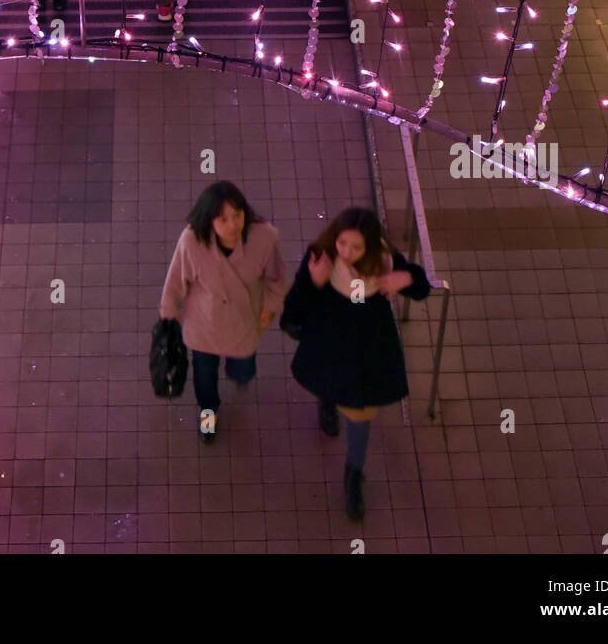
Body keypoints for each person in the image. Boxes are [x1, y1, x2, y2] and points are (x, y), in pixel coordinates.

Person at [280, 207, 430, 521]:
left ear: (371, 247)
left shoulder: (386, 260)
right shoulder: (321, 257)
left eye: (357, 247)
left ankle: (353, 474)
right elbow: (294, 305)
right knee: (329, 382)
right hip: (329, 340)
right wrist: (313, 279)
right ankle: (327, 404)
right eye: (343, 243)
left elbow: (420, 287)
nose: (347, 253)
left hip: (368, 350)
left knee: (361, 417)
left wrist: (405, 277)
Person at [160, 181, 287, 444]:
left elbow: (277, 278)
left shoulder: (264, 238)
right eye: (223, 219)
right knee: (204, 378)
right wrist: (169, 316)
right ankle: (208, 414)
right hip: (204, 324)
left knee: (242, 369)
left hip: (244, 321)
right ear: (209, 220)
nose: (233, 225)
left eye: (237, 215)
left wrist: (270, 309)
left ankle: (238, 374)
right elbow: (175, 281)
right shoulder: (192, 241)